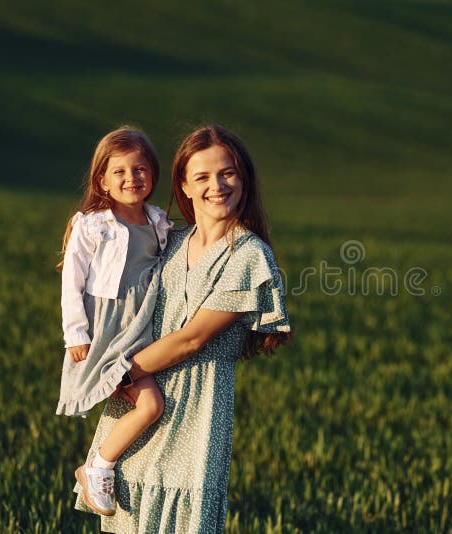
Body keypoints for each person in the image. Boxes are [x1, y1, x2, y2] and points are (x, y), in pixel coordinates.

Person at [74, 125, 292, 532]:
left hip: (194, 415)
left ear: (243, 178)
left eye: (228, 173)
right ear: (184, 187)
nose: (217, 185)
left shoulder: (248, 255)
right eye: (203, 177)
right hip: (137, 410)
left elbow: (192, 339)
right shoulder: (168, 241)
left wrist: (118, 371)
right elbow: (106, 276)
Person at [56, 126, 173, 517]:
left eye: (140, 170)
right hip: (104, 327)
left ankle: (98, 466)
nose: (131, 179)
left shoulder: (159, 222)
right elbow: (71, 282)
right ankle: (98, 467)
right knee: (150, 404)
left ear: (153, 175)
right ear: (102, 179)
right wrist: (75, 333)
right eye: (119, 172)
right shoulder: (92, 224)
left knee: (150, 404)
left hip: (140, 326)